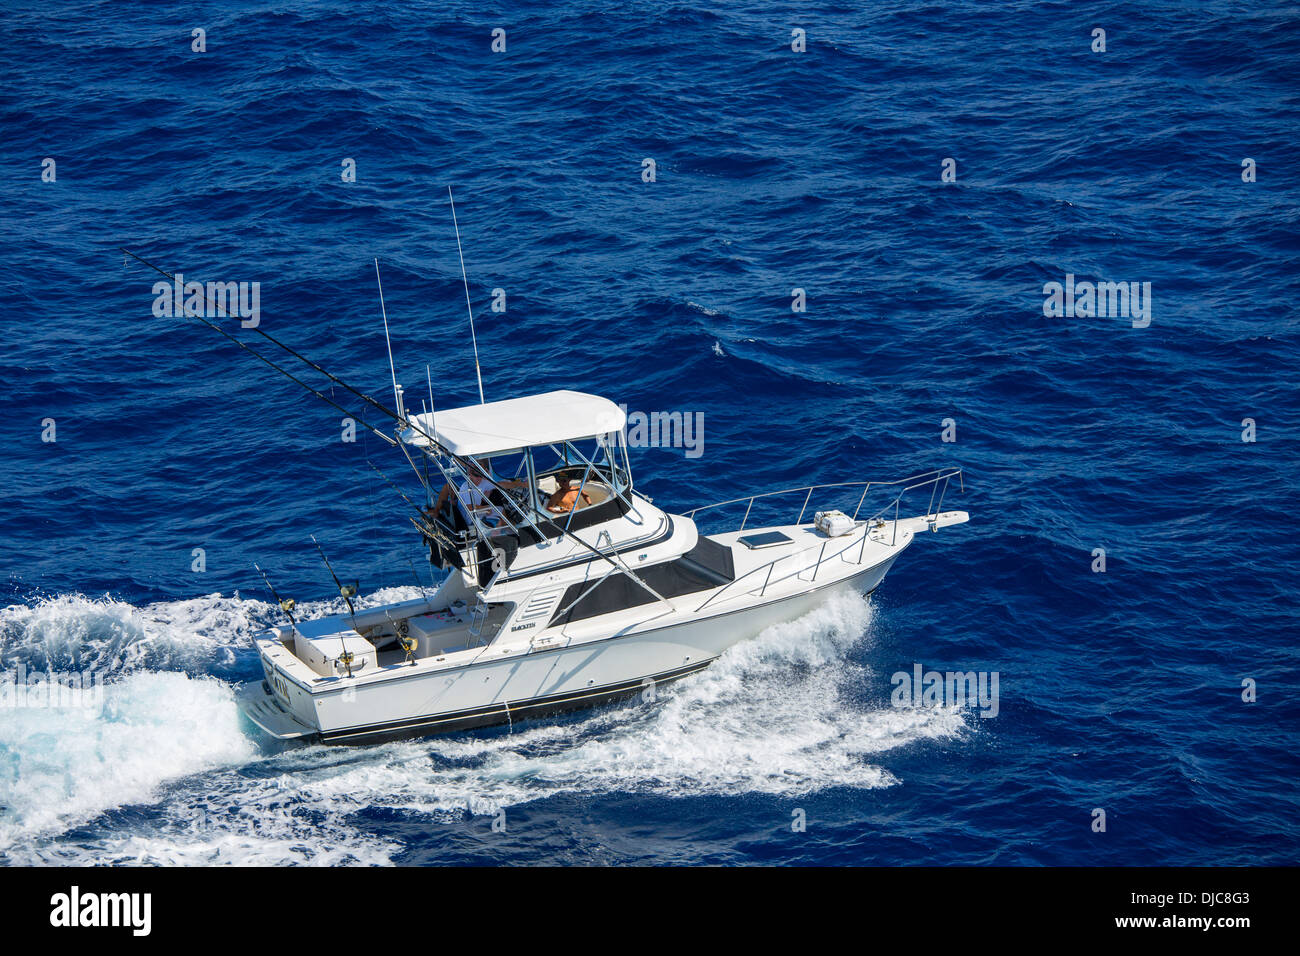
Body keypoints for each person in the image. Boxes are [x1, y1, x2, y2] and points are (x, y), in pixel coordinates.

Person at [433, 459, 527, 527]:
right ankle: (498, 531)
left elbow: (501, 485)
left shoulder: (483, 483)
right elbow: (469, 508)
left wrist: (519, 484)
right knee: (497, 510)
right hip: (467, 517)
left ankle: (503, 529)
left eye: (479, 476)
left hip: (477, 510)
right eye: (474, 476)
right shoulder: (466, 487)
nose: (477, 479)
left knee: (500, 509)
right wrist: (487, 508)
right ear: (469, 475)